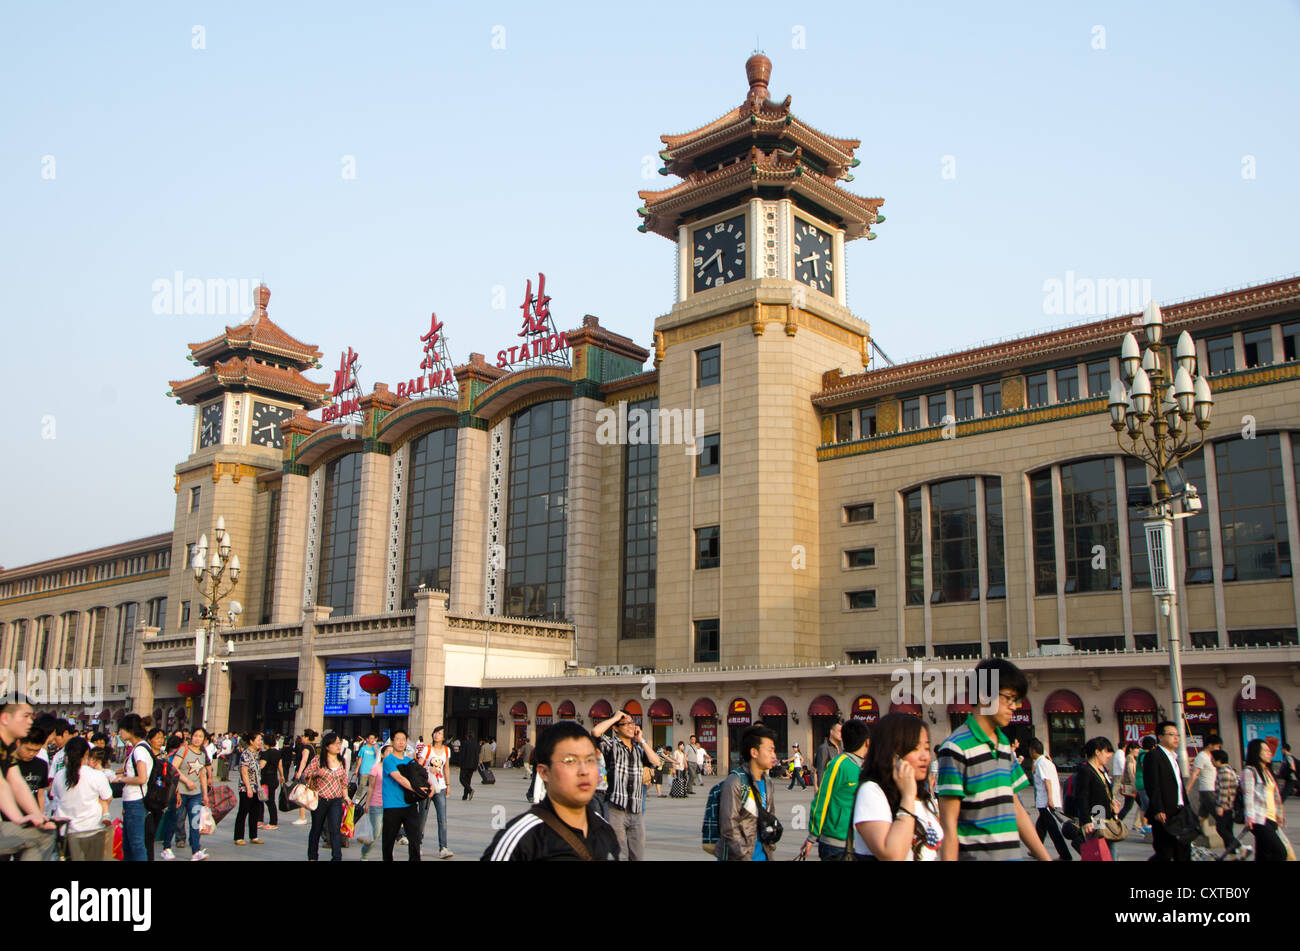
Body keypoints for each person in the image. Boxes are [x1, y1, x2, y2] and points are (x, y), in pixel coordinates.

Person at [935, 658, 1051, 861]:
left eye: (1017, 700)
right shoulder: (955, 748)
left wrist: (1045, 858)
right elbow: (949, 827)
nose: (1014, 707)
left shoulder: (1004, 744)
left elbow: (1015, 807)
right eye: (1009, 698)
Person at [482, 721, 619, 861]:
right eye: (570, 761)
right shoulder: (522, 839)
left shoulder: (604, 830)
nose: (584, 771)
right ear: (544, 772)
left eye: (590, 760)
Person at [851, 712, 943, 860]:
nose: (925, 756)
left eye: (926, 748)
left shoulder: (924, 797)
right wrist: (907, 797)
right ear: (893, 754)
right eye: (914, 748)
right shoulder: (871, 792)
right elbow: (892, 855)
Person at [592, 709, 662, 861]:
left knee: (637, 855)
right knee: (620, 855)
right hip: (616, 809)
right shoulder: (611, 746)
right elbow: (596, 733)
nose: (631, 726)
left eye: (632, 723)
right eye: (626, 724)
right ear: (616, 728)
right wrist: (616, 717)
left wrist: (641, 740)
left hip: (636, 811)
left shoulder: (638, 749)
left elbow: (656, 762)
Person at [802, 717, 869, 860]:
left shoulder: (867, 767)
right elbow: (822, 799)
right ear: (867, 742)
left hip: (860, 843)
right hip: (835, 843)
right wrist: (812, 836)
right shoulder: (838, 764)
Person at [717, 723, 779, 861]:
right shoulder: (735, 781)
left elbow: (770, 816)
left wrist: (770, 846)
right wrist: (743, 856)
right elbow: (729, 827)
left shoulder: (768, 783)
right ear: (754, 752)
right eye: (770, 750)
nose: (773, 755)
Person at [52, 736, 113, 861]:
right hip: (92, 829)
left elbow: (56, 797)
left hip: (67, 832)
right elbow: (108, 798)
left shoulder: (59, 775)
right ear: (87, 753)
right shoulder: (96, 775)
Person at [1144, 721, 1192, 861]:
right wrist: (1158, 808)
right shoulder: (1154, 755)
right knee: (1165, 852)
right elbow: (1153, 784)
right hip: (1165, 813)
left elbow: (1178, 785)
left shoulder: (1173, 758)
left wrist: (1187, 807)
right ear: (1160, 736)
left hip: (1180, 812)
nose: (1176, 738)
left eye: (1177, 735)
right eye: (1171, 735)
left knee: (1183, 851)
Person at [302, 731, 350, 861]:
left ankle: (336, 857)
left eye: (339, 743)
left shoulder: (342, 760)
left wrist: (346, 797)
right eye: (335, 743)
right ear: (327, 746)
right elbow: (306, 774)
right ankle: (312, 856)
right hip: (320, 799)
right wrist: (318, 773)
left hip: (335, 800)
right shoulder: (318, 760)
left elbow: (344, 782)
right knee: (316, 828)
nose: (338, 746)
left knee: (335, 830)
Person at [114, 713, 154, 862]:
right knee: (129, 844)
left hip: (135, 801)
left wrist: (122, 779)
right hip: (133, 801)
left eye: (122, 729)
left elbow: (142, 778)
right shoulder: (140, 748)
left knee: (136, 844)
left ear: (130, 730)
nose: (120, 733)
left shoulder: (139, 750)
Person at [1241, 738, 1287, 861]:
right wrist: (1249, 817)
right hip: (1259, 819)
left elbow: (1275, 797)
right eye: (1265, 750)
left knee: (1264, 855)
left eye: (1269, 750)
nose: (1269, 753)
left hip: (1271, 819)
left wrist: (1279, 815)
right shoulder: (1250, 772)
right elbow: (1248, 795)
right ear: (1257, 752)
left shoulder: (1267, 771)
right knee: (1280, 853)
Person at [1027, 738, 1071, 861]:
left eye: (1030, 750)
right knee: (1041, 827)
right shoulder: (1046, 762)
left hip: (1045, 802)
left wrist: (1050, 799)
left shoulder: (1041, 763)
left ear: (1034, 751)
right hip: (1046, 802)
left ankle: (1065, 855)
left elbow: (1047, 782)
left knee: (1053, 831)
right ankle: (1035, 850)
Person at [1076, 736, 1120, 856]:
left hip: (1106, 817)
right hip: (1095, 818)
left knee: (1108, 852)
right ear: (1097, 752)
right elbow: (1082, 796)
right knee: (1100, 853)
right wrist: (1086, 820)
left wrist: (1112, 803)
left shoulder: (1101, 771)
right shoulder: (1086, 771)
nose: (1109, 755)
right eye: (1107, 751)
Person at [381, 729, 421, 861]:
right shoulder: (388, 760)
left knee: (415, 840)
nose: (401, 742)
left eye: (403, 739)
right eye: (398, 739)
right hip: (392, 806)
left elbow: (420, 777)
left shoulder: (409, 761)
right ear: (392, 742)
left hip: (409, 806)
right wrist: (418, 790)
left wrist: (429, 786)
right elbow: (399, 779)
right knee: (388, 842)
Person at [172, 727, 211, 861]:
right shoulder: (184, 750)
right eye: (195, 735)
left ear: (204, 740)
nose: (197, 739)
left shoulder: (202, 754)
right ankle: (167, 846)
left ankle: (196, 851)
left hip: (196, 794)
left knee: (195, 822)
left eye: (200, 736)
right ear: (191, 737)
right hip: (181, 792)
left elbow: (202, 775)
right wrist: (187, 781)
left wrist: (205, 794)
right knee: (177, 819)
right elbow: (174, 767)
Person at [421, 725, 453, 858]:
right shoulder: (427, 749)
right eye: (435, 732)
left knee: (442, 819)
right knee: (422, 818)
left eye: (439, 733)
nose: (436, 735)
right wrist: (429, 769)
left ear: (444, 737)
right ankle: (417, 844)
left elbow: (446, 768)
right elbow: (418, 766)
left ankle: (443, 848)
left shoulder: (446, 750)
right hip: (426, 787)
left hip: (440, 787)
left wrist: (448, 784)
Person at [1211, 749, 1248, 860]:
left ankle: (1241, 848)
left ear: (1219, 760)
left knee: (1221, 829)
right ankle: (1232, 856)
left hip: (1226, 806)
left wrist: (1220, 806)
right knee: (1227, 830)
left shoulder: (1224, 771)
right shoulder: (1230, 770)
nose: (1211, 761)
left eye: (1213, 759)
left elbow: (1224, 790)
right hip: (1230, 806)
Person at [233, 731, 265, 847]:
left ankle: (253, 836)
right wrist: (248, 788)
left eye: (260, 740)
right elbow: (244, 772)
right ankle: (239, 837)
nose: (260, 742)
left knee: (255, 812)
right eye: (258, 740)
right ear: (251, 741)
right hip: (246, 788)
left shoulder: (256, 754)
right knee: (243, 812)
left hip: (256, 787)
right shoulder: (246, 754)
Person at [359, 743, 389, 861]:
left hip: (391, 804)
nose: (391, 754)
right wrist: (367, 804)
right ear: (382, 755)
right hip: (377, 804)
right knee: (375, 834)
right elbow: (370, 787)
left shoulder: (396, 768)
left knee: (389, 834)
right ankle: (364, 854)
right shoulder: (376, 768)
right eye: (388, 752)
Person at [13, 725, 49, 814]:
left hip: (32, 817)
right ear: (18, 743)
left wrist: (40, 816)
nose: (32, 753)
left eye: (37, 750)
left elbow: (40, 795)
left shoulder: (42, 765)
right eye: (28, 749)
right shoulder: (7, 763)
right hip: (9, 818)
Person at [1189, 735, 1221, 833]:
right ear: (1210, 745)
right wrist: (1188, 787)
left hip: (1211, 789)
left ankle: (1188, 833)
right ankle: (1231, 841)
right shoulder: (1201, 757)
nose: (1218, 749)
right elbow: (1195, 773)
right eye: (1217, 746)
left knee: (1201, 816)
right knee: (1219, 816)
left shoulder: (1211, 757)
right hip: (1207, 790)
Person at [291, 729, 317, 826]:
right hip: (310, 774)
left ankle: (302, 817)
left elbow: (304, 760)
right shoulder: (312, 747)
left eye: (303, 736)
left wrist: (299, 772)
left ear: (306, 737)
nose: (301, 738)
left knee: (301, 794)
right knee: (308, 794)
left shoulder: (306, 747)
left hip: (305, 774)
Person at [260, 732, 283, 830]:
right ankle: (264, 820)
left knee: (264, 800)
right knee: (268, 800)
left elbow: (261, 766)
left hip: (266, 779)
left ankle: (272, 822)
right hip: (274, 778)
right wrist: (282, 776)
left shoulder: (266, 753)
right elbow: (279, 765)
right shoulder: (278, 752)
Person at [1115, 741, 1140, 831]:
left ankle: (1136, 824)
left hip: (1130, 785)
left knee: (1131, 806)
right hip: (1130, 786)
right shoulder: (1130, 758)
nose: (1138, 750)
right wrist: (1134, 784)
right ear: (1131, 749)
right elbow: (1130, 771)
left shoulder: (1131, 758)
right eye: (1136, 748)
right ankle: (1117, 821)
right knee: (1129, 806)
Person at [1134, 734, 1155, 835]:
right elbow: (1145, 766)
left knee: (1143, 805)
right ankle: (1146, 826)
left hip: (1140, 782)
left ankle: (1143, 826)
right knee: (1147, 805)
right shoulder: (1144, 755)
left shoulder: (1140, 753)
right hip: (1143, 782)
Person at [458, 734, 477, 801]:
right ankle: (465, 796)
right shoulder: (475, 744)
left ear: (467, 737)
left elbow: (462, 754)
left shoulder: (465, 743)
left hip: (465, 765)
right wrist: (475, 766)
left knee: (462, 779)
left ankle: (470, 790)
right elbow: (476, 755)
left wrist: (459, 763)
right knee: (468, 781)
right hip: (472, 765)